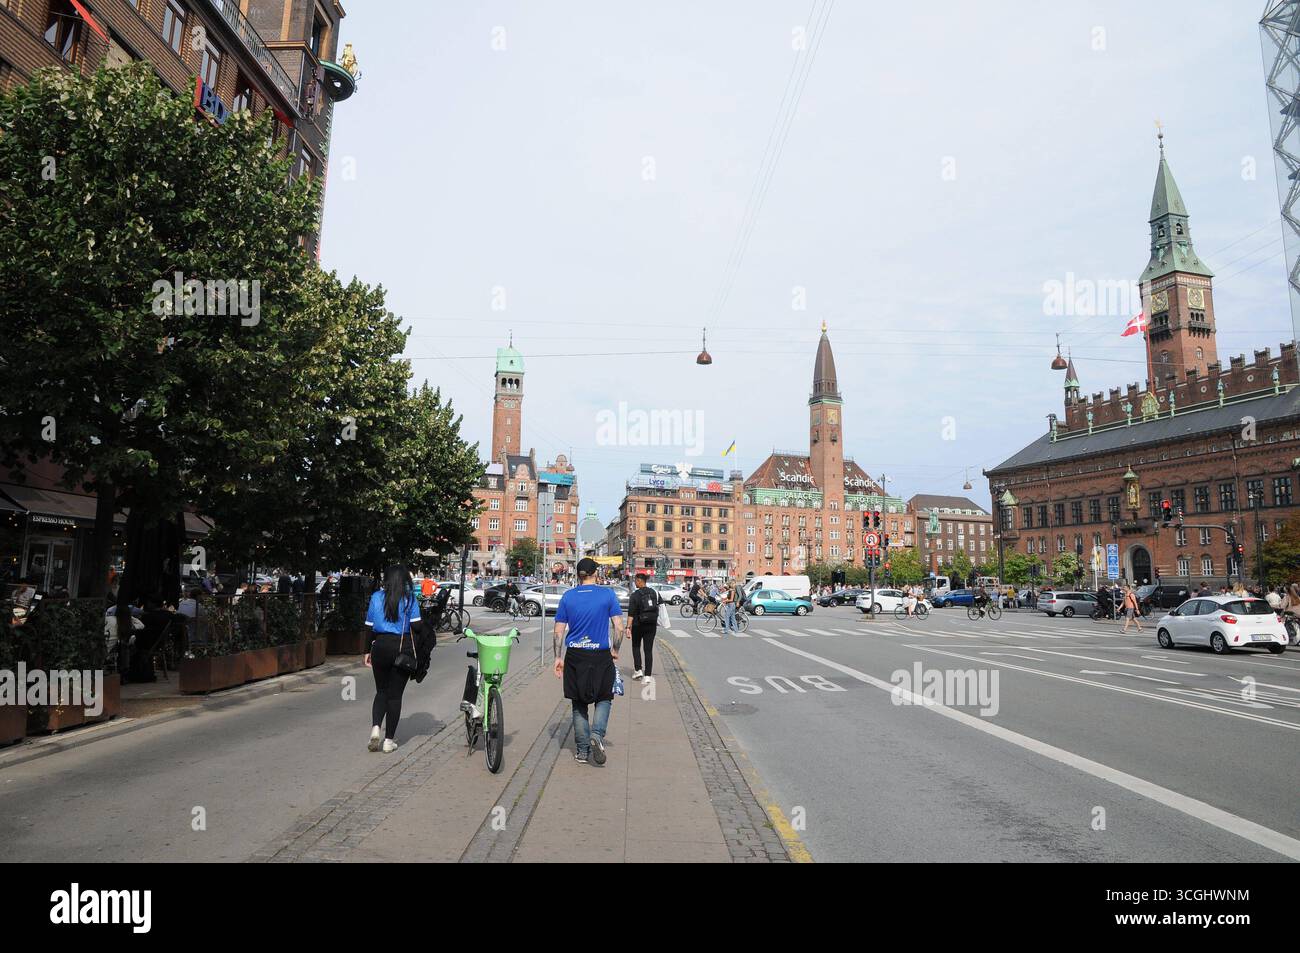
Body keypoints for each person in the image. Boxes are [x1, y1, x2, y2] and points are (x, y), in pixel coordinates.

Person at [553, 558, 624, 766]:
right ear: (596, 573)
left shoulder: (568, 597)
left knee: (578, 703)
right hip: (601, 655)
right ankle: (597, 734)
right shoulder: (607, 594)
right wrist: (615, 650)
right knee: (604, 697)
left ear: (578, 575)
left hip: (575, 655)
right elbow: (618, 627)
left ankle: (583, 751)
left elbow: (558, 631)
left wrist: (558, 657)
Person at [364, 565, 423, 753]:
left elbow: (369, 627)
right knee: (395, 696)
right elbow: (418, 627)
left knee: (381, 691)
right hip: (401, 648)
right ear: (405, 579)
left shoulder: (376, 597)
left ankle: (375, 728)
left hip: (379, 647)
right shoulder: (409, 599)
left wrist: (367, 651)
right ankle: (389, 741)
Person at [628, 572, 660, 679]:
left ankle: (638, 670)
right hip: (651, 625)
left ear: (639, 581)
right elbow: (661, 606)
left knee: (636, 647)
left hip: (638, 625)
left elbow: (631, 614)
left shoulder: (634, 595)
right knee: (648, 650)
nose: (634, 583)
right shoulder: (654, 592)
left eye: (635, 581)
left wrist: (628, 627)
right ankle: (648, 675)